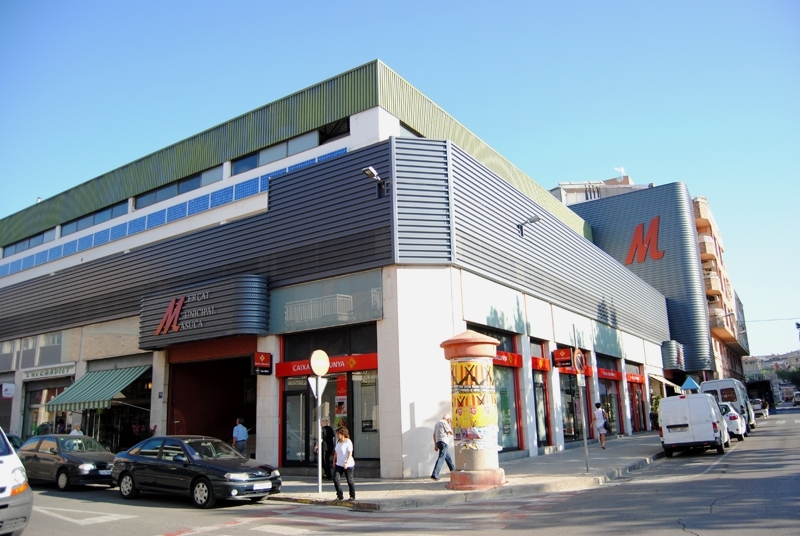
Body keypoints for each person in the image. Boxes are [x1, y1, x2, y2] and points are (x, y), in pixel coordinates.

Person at [332, 426, 355, 501]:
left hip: (348, 464)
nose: (337, 435)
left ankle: (352, 496)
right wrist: (334, 461)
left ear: (343, 433)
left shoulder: (348, 442)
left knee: (349, 480)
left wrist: (346, 462)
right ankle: (340, 495)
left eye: (338, 433)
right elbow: (336, 452)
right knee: (335, 479)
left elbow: (350, 453)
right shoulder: (338, 441)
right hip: (339, 464)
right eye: (337, 434)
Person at [430, 413, 455, 480]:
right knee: (441, 458)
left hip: (439, 442)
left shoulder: (437, 423)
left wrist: (435, 444)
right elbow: (451, 432)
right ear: (448, 419)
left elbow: (434, 434)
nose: (449, 421)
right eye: (449, 420)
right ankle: (435, 474)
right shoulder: (444, 422)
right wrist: (452, 424)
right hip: (444, 442)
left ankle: (453, 471)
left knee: (448, 458)